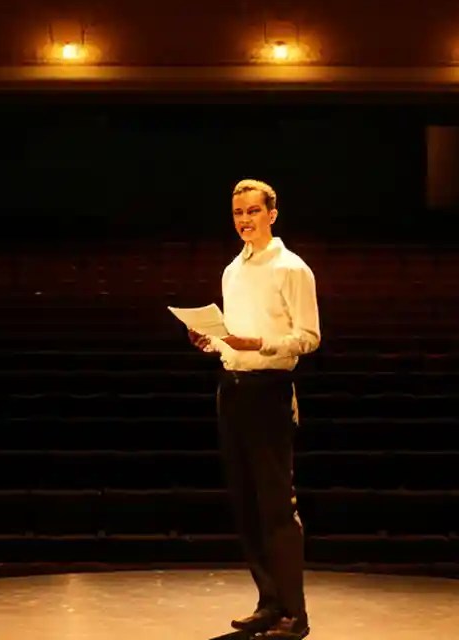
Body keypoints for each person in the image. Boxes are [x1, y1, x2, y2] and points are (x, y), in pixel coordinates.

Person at [188, 179, 320, 640]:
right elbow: (233, 336)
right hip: (233, 387)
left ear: (272, 214)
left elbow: (308, 337)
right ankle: (268, 602)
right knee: (246, 505)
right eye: (238, 213)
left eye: (252, 211)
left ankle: (294, 614)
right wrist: (212, 341)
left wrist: (259, 344)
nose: (244, 219)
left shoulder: (292, 268)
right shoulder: (231, 270)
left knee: (277, 508)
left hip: (269, 389)